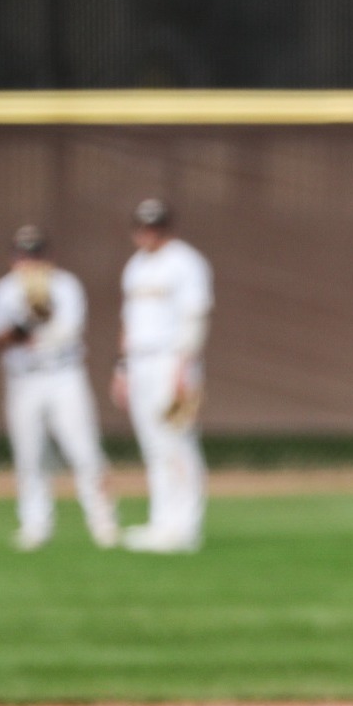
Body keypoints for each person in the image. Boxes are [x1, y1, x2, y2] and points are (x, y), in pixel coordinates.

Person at [0, 225, 120, 550]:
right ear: (13, 258)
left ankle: (103, 522)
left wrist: (32, 325)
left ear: (50, 256)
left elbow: (67, 332)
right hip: (23, 378)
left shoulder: (65, 285)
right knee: (29, 455)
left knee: (84, 451)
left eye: (36, 254)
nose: (30, 261)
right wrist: (21, 327)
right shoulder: (4, 291)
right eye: (23, 254)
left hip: (63, 375)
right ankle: (35, 524)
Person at [110, 199, 211, 553]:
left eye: (156, 226)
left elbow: (194, 317)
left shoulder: (186, 262)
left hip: (172, 359)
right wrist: (122, 368)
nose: (148, 233)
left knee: (178, 443)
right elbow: (129, 322)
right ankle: (161, 522)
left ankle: (185, 527)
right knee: (153, 445)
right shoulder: (135, 266)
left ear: (168, 227)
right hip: (140, 361)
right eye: (143, 226)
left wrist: (184, 370)